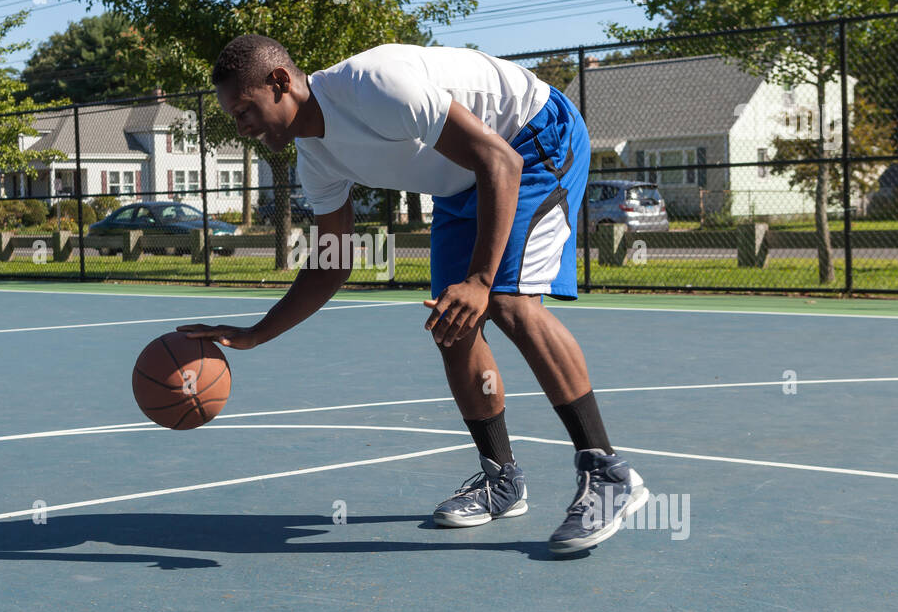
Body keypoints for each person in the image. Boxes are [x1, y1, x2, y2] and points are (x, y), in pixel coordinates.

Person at [178, 34, 647, 553]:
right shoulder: (317, 159)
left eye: (245, 110)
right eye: (234, 117)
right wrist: (256, 333)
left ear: (280, 82)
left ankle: (607, 473)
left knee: (508, 304)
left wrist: (479, 281)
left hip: (530, 141)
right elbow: (332, 265)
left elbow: (500, 162)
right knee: (454, 328)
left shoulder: (375, 86)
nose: (242, 127)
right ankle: (502, 480)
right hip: (464, 179)